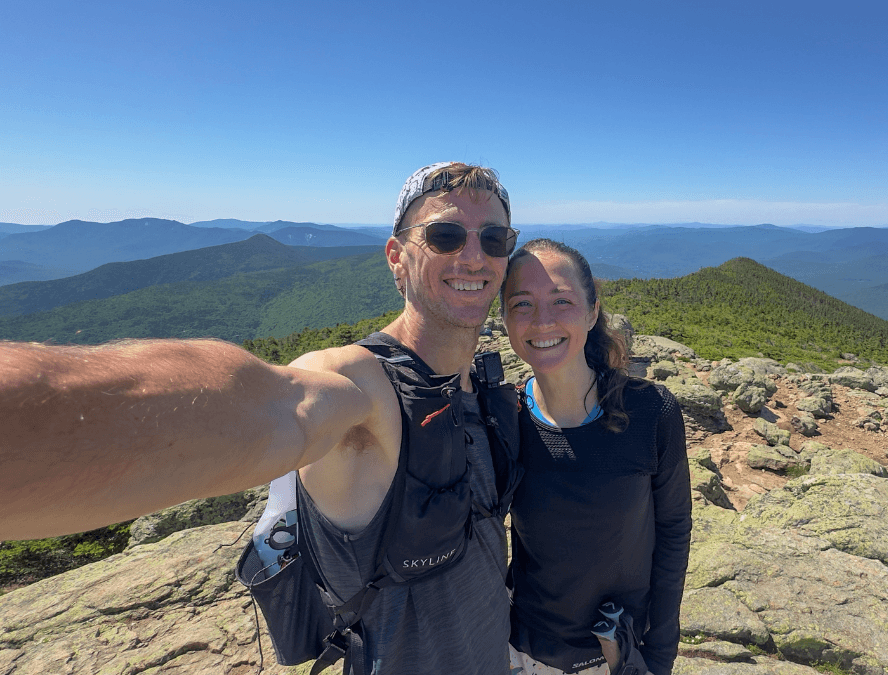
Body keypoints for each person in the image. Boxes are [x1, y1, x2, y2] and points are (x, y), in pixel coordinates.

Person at [0, 161, 520, 674]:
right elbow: (273, 405)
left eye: (494, 239)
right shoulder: (364, 390)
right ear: (396, 257)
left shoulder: (479, 382)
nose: (474, 256)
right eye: (445, 236)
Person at [499, 239, 692, 675]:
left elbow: (674, 530)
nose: (542, 320)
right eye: (522, 304)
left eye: (562, 301)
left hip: (616, 655)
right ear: (507, 322)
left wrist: (659, 655)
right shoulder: (505, 419)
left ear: (591, 312)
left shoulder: (650, 411)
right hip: (522, 651)